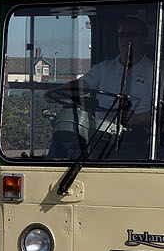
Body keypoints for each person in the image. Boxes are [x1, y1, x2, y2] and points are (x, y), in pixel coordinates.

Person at [52, 15, 156, 156]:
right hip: (100, 133)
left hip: (136, 138)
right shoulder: (104, 68)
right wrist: (57, 92)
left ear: (144, 38)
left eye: (131, 34)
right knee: (63, 137)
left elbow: (163, 114)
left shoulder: (155, 72)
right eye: (122, 35)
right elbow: (83, 85)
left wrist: (133, 119)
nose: (126, 40)